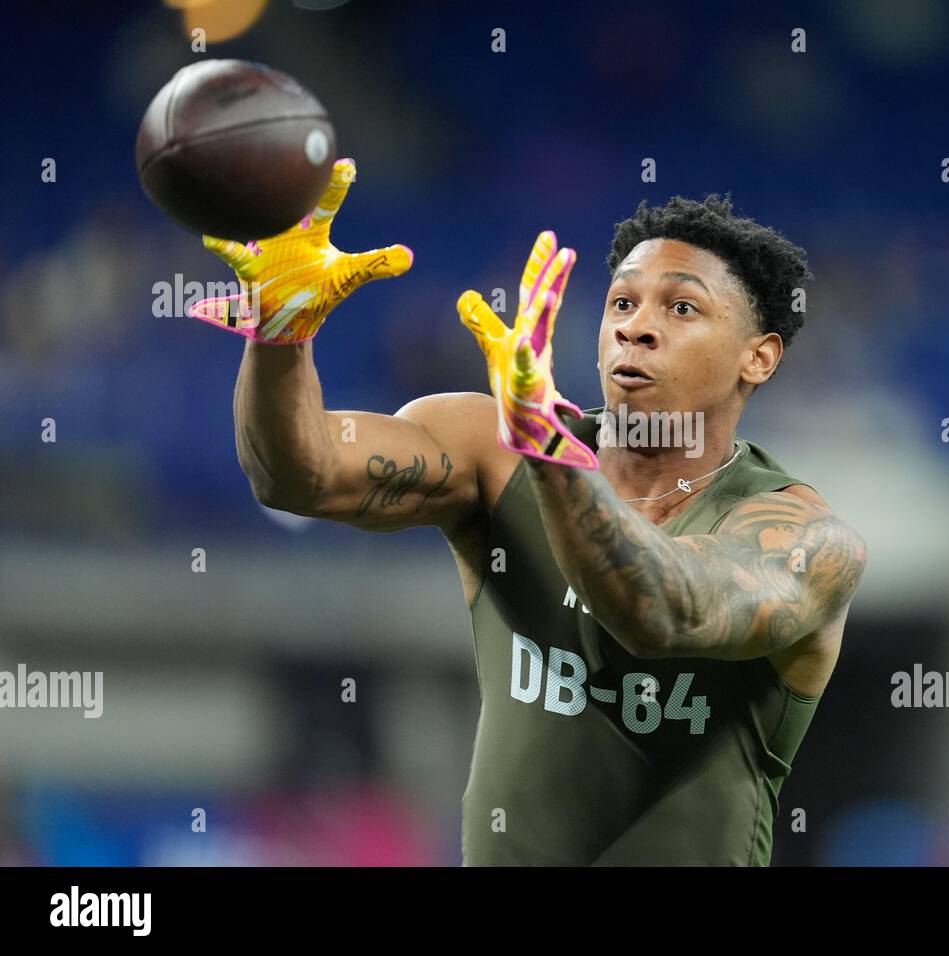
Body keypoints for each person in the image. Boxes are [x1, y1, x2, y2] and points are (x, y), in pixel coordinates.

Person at [190, 158, 867, 865]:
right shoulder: (493, 449)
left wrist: (549, 454)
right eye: (622, 303)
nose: (636, 329)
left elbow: (665, 611)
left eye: (682, 308)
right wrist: (280, 337)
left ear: (758, 358)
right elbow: (299, 475)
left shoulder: (803, 538)